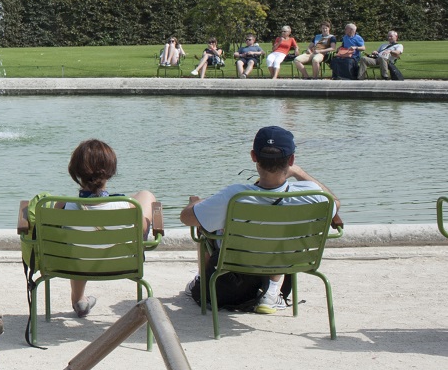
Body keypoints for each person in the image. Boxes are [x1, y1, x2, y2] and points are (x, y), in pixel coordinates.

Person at [180, 125, 337, 315]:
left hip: (234, 266)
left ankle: (201, 280)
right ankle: (271, 292)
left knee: (206, 228)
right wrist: (300, 173)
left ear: (254, 156)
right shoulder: (313, 195)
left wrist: (198, 202)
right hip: (282, 263)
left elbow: (187, 218)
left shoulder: (235, 196)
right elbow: (335, 203)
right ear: (291, 160)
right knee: (282, 235)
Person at [59, 139, 157, 318]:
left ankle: (78, 299)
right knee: (146, 195)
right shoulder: (128, 207)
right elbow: (144, 229)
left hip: (78, 265)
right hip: (122, 263)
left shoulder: (62, 206)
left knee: (79, 247)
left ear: (75, 171)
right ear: (110, 171)